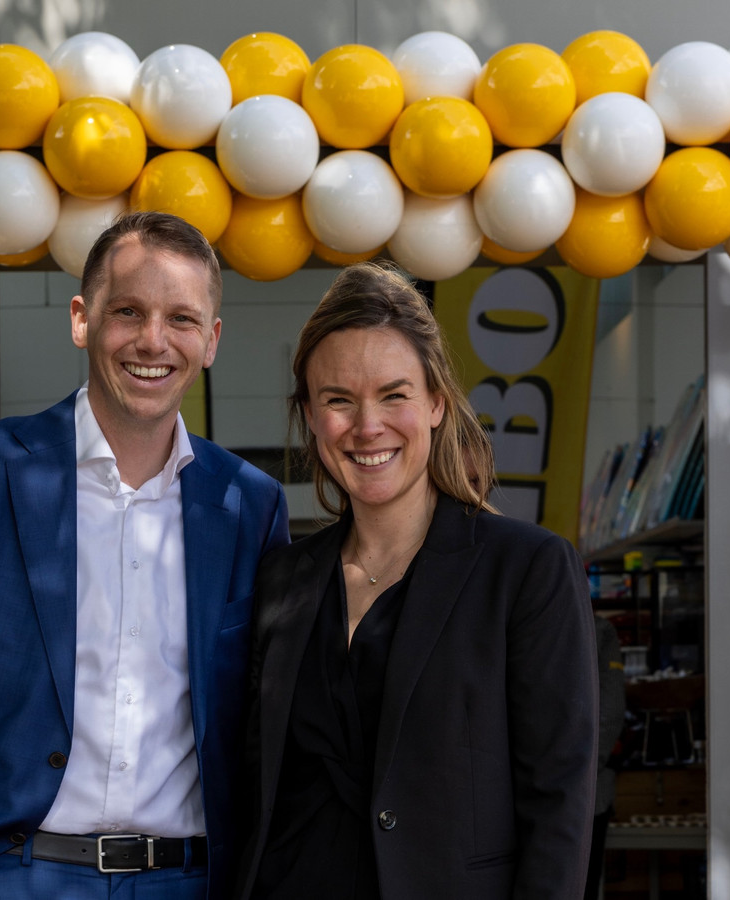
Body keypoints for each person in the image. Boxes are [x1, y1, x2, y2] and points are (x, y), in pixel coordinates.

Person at [0, 212, 290, 900]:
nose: (152, 340)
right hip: (11, 878)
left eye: (181, 318)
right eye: (128, 311)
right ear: (82, 319)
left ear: (211, 341)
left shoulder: (247, 507)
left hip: (190, 883)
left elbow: (265, 726)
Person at [236, 262, 598, 899]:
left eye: (393, 394)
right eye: (338, 400)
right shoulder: (281, 578)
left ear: (436, 403)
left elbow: (559, 805)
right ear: (310, 417)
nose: (367, 425)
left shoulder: (526, 571)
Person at [585, 614, 627, 899]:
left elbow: (610, 714)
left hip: (587, 791)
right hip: (583, 786)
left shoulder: (599, 631)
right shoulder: (598, 629)